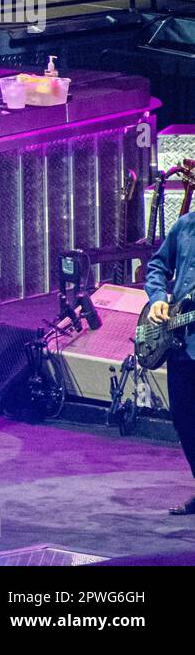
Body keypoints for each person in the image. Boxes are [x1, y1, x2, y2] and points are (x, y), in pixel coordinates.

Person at [143, 211, 195, 515]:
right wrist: (158, 297)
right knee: (184, 419)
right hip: (179, 344)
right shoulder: (186, 224)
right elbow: (157, 265)